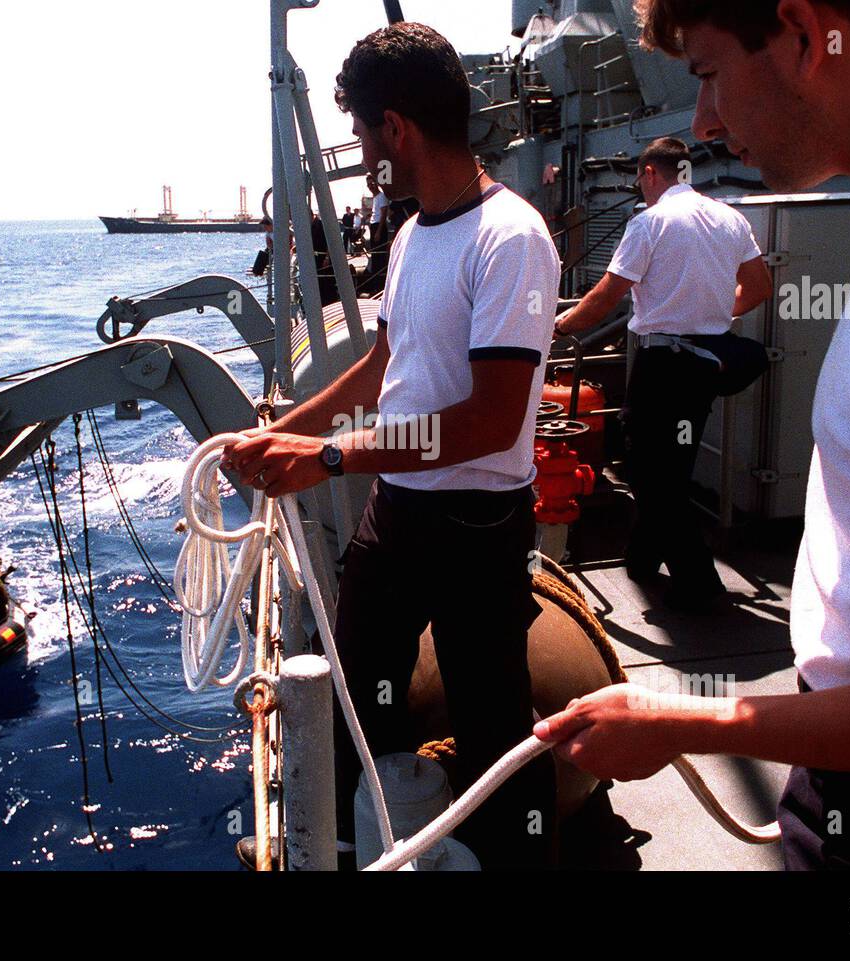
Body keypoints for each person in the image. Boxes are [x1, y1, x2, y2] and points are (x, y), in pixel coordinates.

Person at [536, 0, 850, 871]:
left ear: (806, 34)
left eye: (707, 72)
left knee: (658, 474)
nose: (706, 121)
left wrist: (689, 718)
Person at [223, 22, 560, 870]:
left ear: (396, 131)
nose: (363, 151)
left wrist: (332, 457)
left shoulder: (510, 239)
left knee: (495, 726)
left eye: (363, 133)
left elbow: (488, 422)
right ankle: (348, 846)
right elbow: (383, 365)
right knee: (355, 690)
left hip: (480, 530)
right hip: (398, 512)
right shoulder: (413, 236)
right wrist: (284, 430)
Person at [556, 137, 773, 610]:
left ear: (652, 173)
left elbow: (608, 294)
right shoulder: (729, 218)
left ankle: (700, 584)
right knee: (673, 465)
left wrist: (559, 325)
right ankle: (641, 559)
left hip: (662, 367)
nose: (641, 187)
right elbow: (759, 286)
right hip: (706, 362)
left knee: (646, 471)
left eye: (640, 179)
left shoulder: (649, 223)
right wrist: (713, 316)